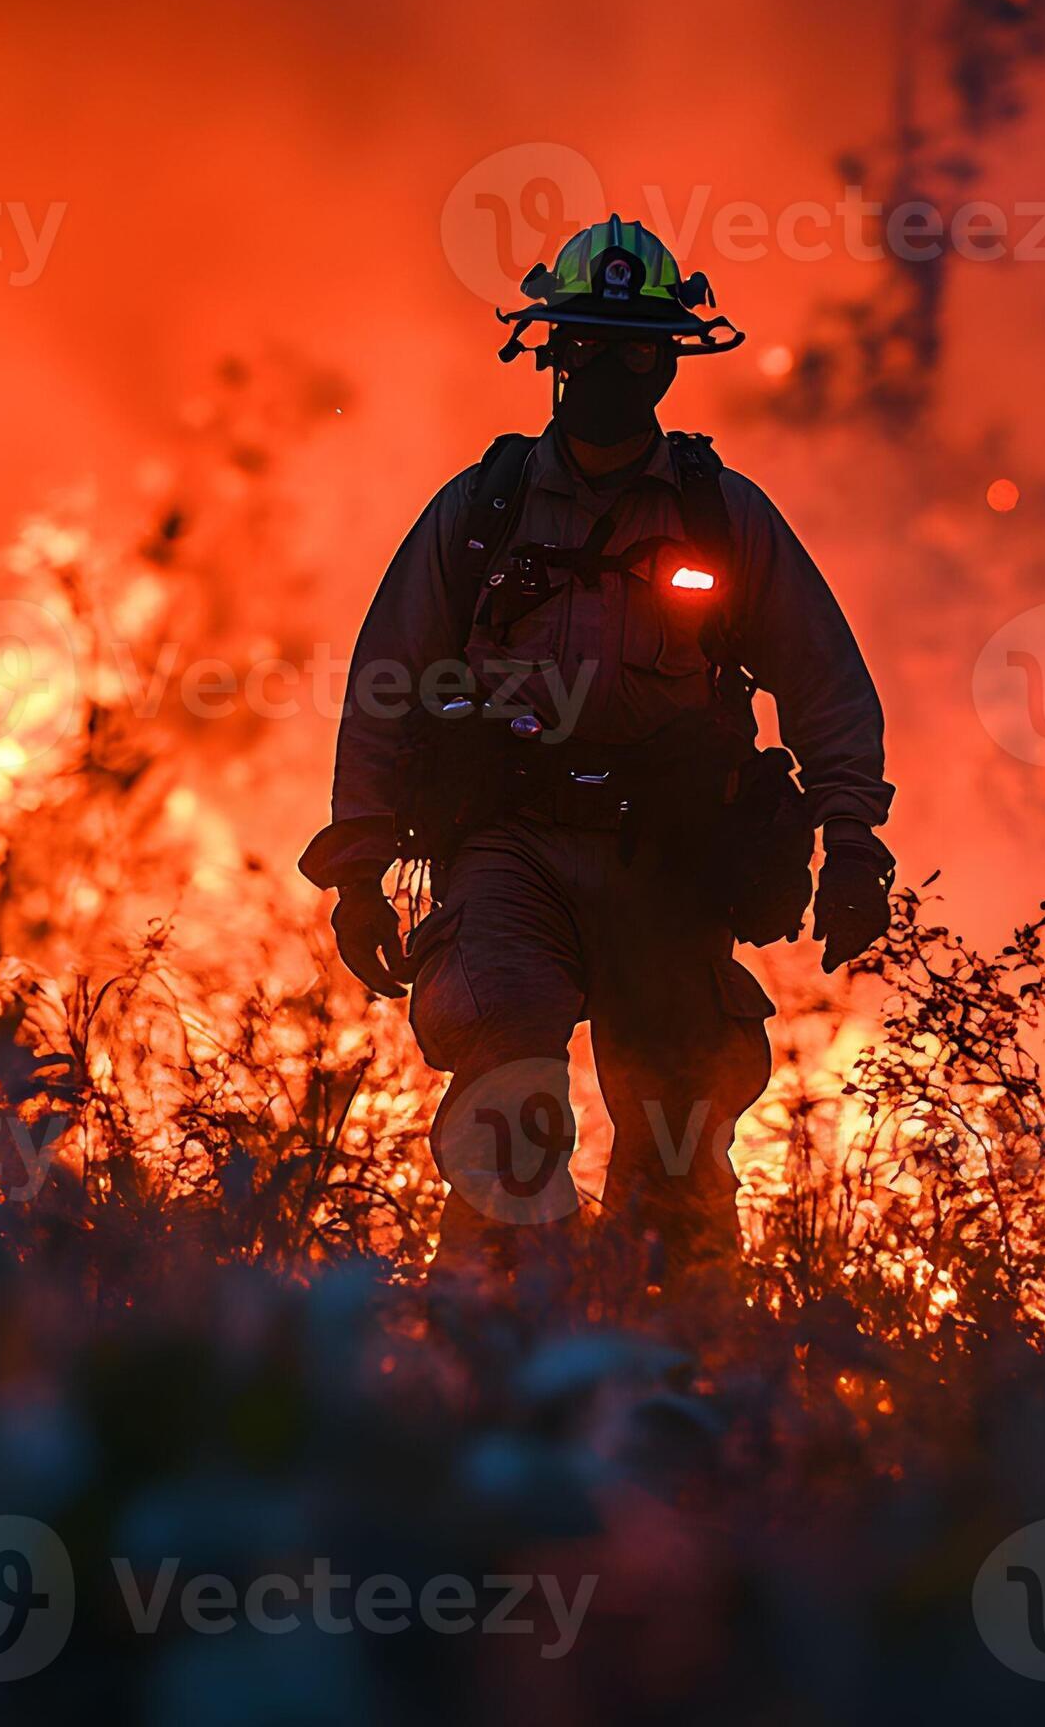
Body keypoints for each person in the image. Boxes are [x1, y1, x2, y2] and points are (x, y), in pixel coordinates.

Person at [300, 217, 894, 1296]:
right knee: (510, 1099)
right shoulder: (480, 512)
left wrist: (854, 842)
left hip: (667, 863)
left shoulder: (724, 516)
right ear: (551, 354)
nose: (612, 369)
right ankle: (497, 1357)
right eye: (589, 345)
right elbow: (387, 680)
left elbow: (825, 684)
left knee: (677, 1122)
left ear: (670, 359)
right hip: (507, 853)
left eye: (637, 348)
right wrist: (356, 869)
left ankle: (676, 1368)